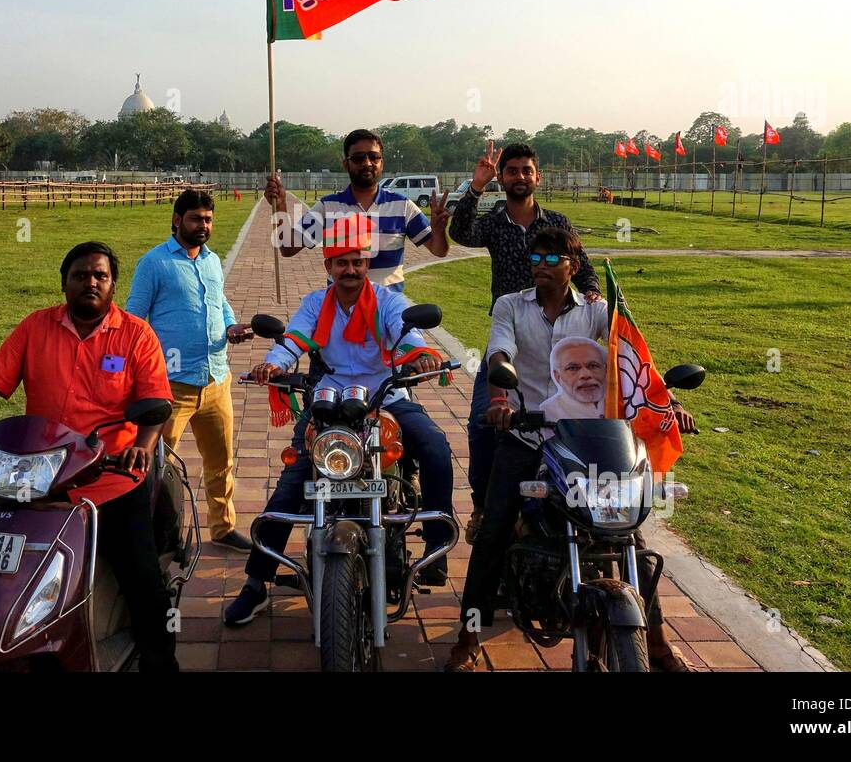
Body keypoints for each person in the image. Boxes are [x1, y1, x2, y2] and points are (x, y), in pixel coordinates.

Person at [0, 241, 179, 672]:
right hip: (37, 478)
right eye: (80, 275)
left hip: (110, 480)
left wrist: (142, 448)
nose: (90, 282)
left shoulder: (136, 335)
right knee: (2, 565)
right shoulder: (35, 327)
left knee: (144, 582)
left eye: (100, 276)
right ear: (64, 283)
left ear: (114, 285)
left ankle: (159, 661)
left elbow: (155, 404)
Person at [442, 229, 697, 672]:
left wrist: (667, 401)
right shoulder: (510, 305)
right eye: (535, 256)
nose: (540, 263)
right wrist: (501, 396)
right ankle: (467, 639)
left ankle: (657, 645)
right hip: (529, 434)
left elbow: (633, 354)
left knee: (627, 537)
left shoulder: (596, 311)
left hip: (586, 441)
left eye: (551, 256)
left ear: (572, 266)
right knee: (493, 533)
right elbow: (500, 351)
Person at [222, 214, 455, 626]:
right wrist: (273, 365)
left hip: (385, 397)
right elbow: (293, 338)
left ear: (367, 264)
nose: (350, 270)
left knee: (436, 447)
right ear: (328, 266)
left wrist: (421, 354)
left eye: (358, 262)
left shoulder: (387, 301)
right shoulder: (315, 303)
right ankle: (256, 584)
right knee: (290, 487)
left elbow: (408, 334)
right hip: (327, 400)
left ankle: (436, 549)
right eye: (341, 262)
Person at [443, 140, 602, 544]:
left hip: (563, 340)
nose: (519, 177)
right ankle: (485, 505)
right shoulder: (496, 221)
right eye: (510, 171)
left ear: (537, 176)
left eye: (525, 171)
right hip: (512, 335)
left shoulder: (558, 221)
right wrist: (475, 188)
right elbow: (461, 232)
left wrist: (595, 293)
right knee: (483, 421)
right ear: (503, 177)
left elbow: (581, 265)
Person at [125, 189, 254, 552]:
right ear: (177, 219)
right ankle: (161, 538)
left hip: (216, 378)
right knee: (158, 468)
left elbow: (221, 302)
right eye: (196, 219)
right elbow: (134, 318)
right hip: (171, 387)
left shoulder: (212, 261)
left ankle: (223, 527)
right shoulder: (155, 263)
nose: (203, 226)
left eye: (209, 220)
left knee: (222, 461)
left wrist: (230, 326)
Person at [263, 128, 449, 291]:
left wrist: (440, 232)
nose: (367, 163)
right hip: (341, 314)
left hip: (387, 316)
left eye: (373, 157)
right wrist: (280, 205)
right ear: (346, 164)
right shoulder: (328, 207)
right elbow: (288, 248)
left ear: (381, 162)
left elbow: (439, 250)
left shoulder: (402, 206)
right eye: (359, 158)